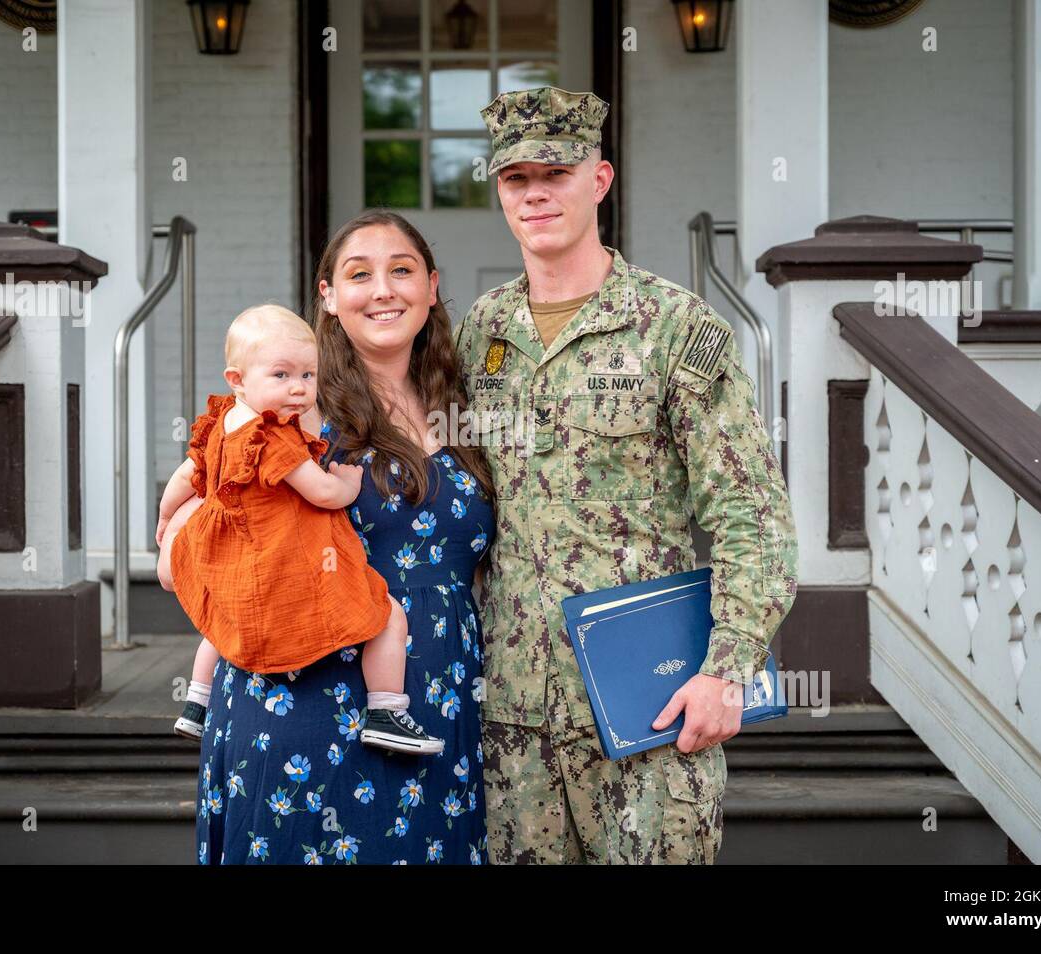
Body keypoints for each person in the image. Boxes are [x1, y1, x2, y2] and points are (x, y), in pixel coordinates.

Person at [453, 86, 799, 864]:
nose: (536, 192)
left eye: (558, 171)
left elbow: (753, 516)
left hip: (651, 711)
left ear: (599, 180)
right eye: (516, 178)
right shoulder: (481, 334)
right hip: (514, 722)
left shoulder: (676, 328)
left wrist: (728, 670)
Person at [183, 215, 494, 865]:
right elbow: (193, 536)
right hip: (307, 700)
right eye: (359, 275)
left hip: (434, 706)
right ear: (327, 295)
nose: (383, 289)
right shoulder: (292, 401)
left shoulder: (460, 406)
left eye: (401, 270)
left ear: (431, 287)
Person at [155, 304, 444, 756]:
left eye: (308, 376)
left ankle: (196, 702)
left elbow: (186, 476)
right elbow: (320, 493)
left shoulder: (219, 425)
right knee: (385, 613)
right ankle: (386, 710)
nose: (298, 389)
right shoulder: (271, 438)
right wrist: (347, 484)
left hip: (233, 555)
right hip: (280, 558)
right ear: (237, 379)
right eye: (281, 376)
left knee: (224, 619)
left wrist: (165, 515)